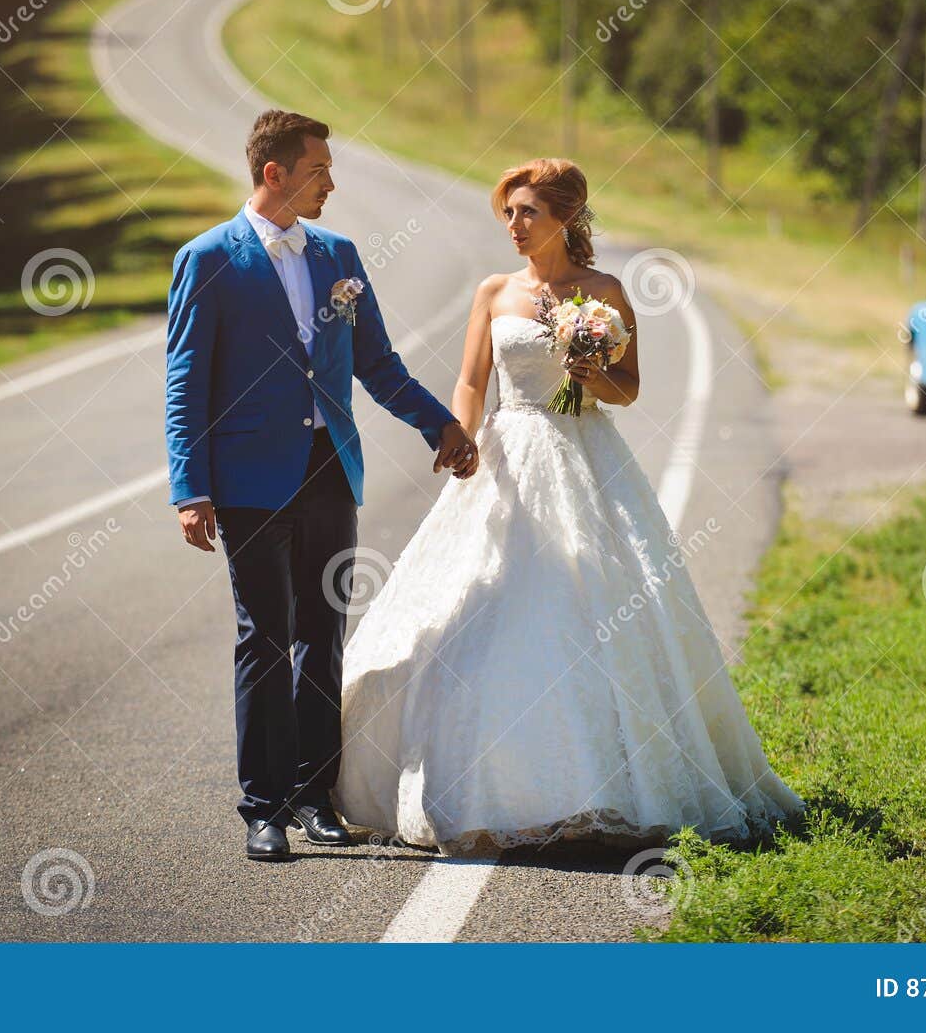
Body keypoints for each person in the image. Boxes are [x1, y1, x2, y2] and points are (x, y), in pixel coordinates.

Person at [333, 158, 805, 856]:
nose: (514, 226)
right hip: (505, 455)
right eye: (508, 214)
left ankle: (603, 789)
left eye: (527, 212)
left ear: (565, 218)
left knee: (591, 604)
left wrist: (593, 371)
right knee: (482, 610)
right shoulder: (493, 291)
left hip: (585, 456)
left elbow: (628, 390)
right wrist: (460, 437)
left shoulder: (605, 290)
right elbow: (470, 380)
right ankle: (490, 787)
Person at [165, 109, 479, 861]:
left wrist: (439, 424)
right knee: (264, 637)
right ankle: (263, 807)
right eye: (319, 171)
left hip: (330, 468)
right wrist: (190, 487)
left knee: (323, 633)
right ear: (274, 173)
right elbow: (185, 383)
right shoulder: (208, 259)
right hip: (246, 479)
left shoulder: (339, 254)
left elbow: (377, 362)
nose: (331, 183)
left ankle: (316, 796)